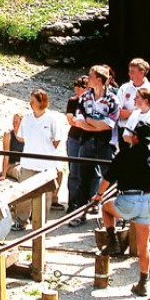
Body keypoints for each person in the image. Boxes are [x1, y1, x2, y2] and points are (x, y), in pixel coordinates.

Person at [94, 120, 150, 296]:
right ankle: (143, 283)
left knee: (106, 207)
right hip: (145, 202)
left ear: (135, 137)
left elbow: (107, 179)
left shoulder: (124, 155)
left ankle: (112, 238)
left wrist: (99, 195)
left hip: (127, 200)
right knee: (144, 247)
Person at [0, 89, 66, 230]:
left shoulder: (52, 119)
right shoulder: (27, 119)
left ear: (42, 102)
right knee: (24, 193)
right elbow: (21, 137)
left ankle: (40, 223)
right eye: (30, 101)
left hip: (46, 164)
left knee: (45, 196)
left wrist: (45, 149)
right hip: (28, 162)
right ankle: (22, 220)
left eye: (33, 101)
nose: (30, 104)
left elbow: (57, 140)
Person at [66, 65, 119, 227]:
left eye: (91, 76)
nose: (88, 78)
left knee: (109, 178)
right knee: (84, 177)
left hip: (105, 143)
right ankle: (80, 213)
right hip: (86, 141)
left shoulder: (113, 100)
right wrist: (95, 123)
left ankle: (112, 215)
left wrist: (89, 121)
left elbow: (109, 124)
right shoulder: (85, 97)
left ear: (99, 79)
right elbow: (78, 121)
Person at [115, 59, 150, 150]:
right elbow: (117, 113)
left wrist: (128, 113)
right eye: (129, 71)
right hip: (124, 131)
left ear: (141, 73)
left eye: (132, 71)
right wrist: (137, 112)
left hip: (142, 135)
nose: (129, 73)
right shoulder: (124, 88)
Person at [62, 75, 88, 211]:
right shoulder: (72, 101)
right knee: (73, 171)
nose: (78, 90)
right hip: (74, 137)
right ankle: (73, 202)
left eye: (81, 87)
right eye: (76, 87)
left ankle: (86, 201)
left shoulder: (92, 102)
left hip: (88, 138)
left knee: (88, 171)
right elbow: (71, 121)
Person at [125, 86, 150, 153]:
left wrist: (134, 138)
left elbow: (149, 138)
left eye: (137, 97)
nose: (134, 99)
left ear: (146, 100)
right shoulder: (135, 113)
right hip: (137, 153)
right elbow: (125, 136)